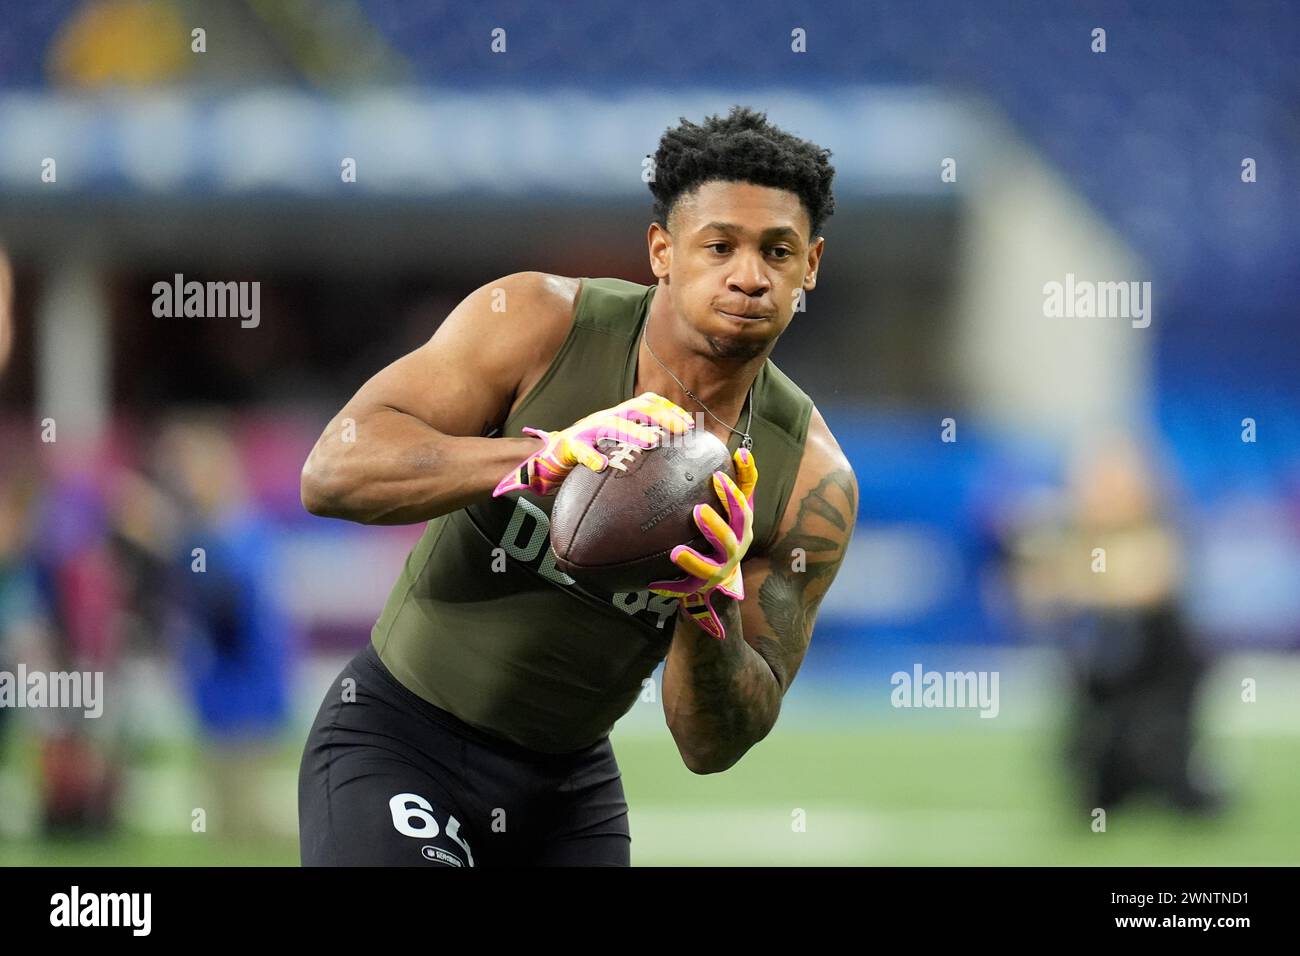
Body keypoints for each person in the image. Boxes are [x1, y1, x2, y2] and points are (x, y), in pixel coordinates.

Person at [297, 106, 859, 866]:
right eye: (719, 245)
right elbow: (331, 472)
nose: (750, 276)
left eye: (778, 251)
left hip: (567, 796)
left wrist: (710, 603)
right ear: (663, 250)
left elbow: (709, 745)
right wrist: (536, 461)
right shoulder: (538, 322)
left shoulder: (808, 480)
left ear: (811, 267)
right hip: (400, 738)